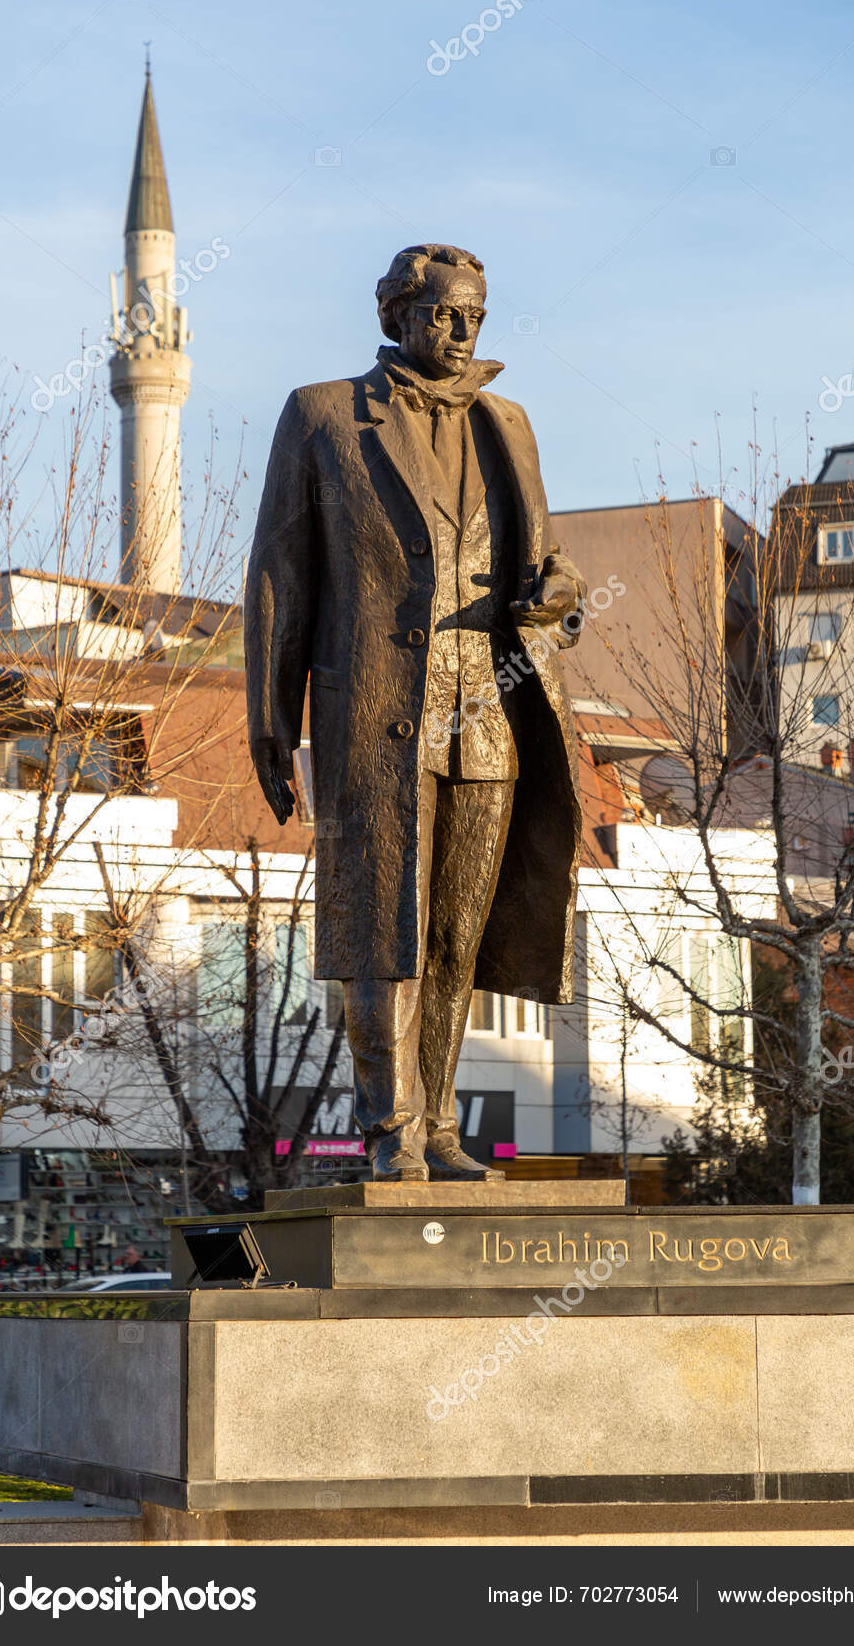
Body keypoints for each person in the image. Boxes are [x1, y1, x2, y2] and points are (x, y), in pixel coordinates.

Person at [245, 244, 584, 1182]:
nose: (461, 327)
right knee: (382, 931)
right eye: (441, 312)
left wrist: (558, 593)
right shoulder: (322, 416)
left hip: (491, 710)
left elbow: (545, 572)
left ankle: (438, 1124)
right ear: (395, 314)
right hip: (375, 715)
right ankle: (388, 1133)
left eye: (474, 312)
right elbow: (281, 573)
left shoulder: (507, 424)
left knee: (453, 937)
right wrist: (272, 716)